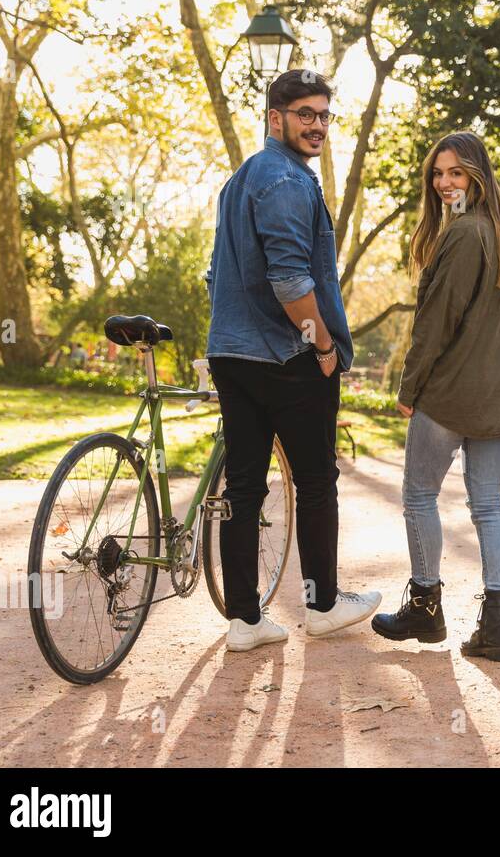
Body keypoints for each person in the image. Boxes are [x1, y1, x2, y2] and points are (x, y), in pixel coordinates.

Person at [204, 68, 381, 653]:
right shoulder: (285, 180)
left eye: (325, 115)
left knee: (246, 485)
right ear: (275, 117)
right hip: (287, 357)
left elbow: (218, 272)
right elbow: (288, 281)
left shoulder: (241, 179)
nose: (318, 126)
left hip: (231, 352)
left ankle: (245, 620)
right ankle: (323, 604)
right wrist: (323, 344)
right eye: (306, 114)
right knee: (315, 481)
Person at [370, 131, 500, 662]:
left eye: (455, 173)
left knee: (419, 496)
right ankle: (496, 625)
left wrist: (409, 385)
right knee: (488, 506)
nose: (444, 183)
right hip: (497, 396)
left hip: (450, 394)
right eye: (438, 174)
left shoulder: (463, 234)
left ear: (476, 176)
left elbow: (436, 323)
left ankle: (425, 607)